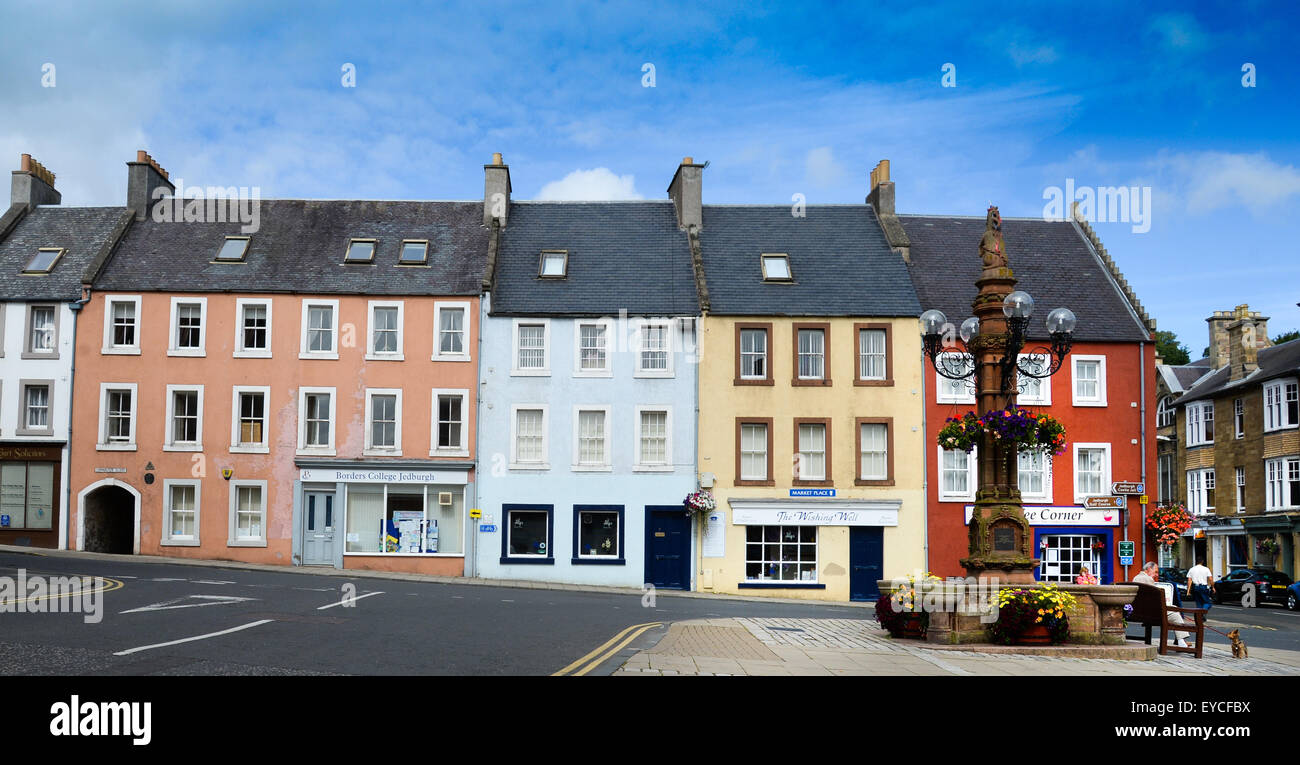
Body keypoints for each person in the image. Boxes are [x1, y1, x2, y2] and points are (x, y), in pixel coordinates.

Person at [1135, 561, 1189, 647]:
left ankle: (1180, 640)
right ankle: (1181, 640)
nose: (1157, 575)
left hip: (1140, 612)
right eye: (1156, 572)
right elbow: (1155, 601)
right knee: (1175, 612)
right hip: (1151, 613)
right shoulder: (1148, 580)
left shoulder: (1136, 578)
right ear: (1149, 569)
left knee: (1173, 610)